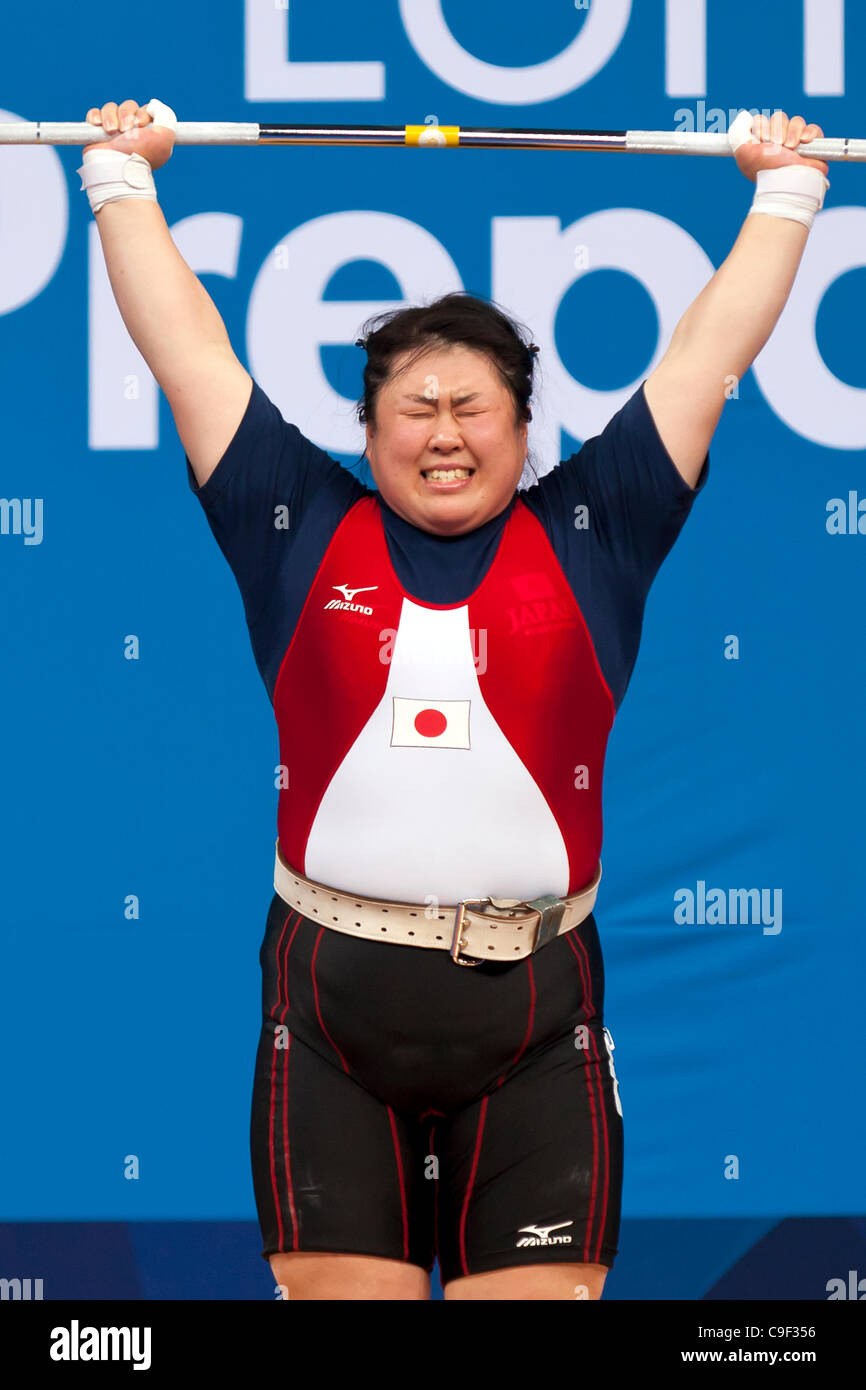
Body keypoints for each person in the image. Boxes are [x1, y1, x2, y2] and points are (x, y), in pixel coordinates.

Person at [79, 98, 829, 1301]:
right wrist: (122, 178)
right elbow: (191, 355)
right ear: (364, 431)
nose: (442, 432)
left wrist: (783, 188)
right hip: (327, 1016)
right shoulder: (293, 525)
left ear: (524, 429)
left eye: (471, 406)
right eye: (412, 407)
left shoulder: (598, 527)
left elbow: (704, 358)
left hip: (536, 1021)